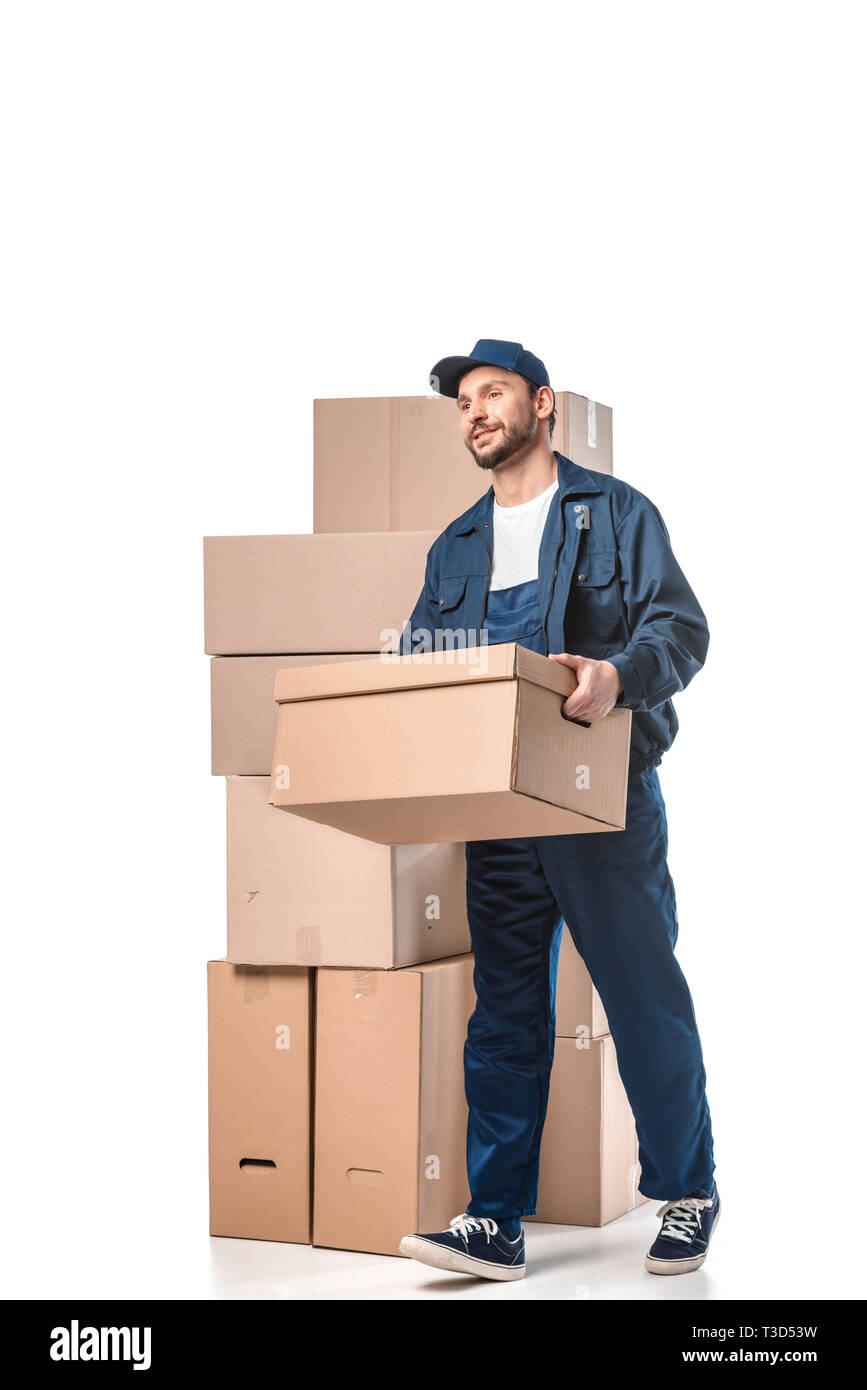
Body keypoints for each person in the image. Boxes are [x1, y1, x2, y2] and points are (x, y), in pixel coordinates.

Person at [396, 339, 720, 1281]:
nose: (474, 413)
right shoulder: (454, 544)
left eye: (491, 393)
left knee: (641, 996)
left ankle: (685, 1193)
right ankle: (492, 1219)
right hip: (495, 810)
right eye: (462, 402)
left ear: (543, 405)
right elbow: (428, 659)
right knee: (501, 1015)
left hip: (600, 802)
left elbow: (680, 629)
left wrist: (618, 676)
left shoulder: (614, 513)